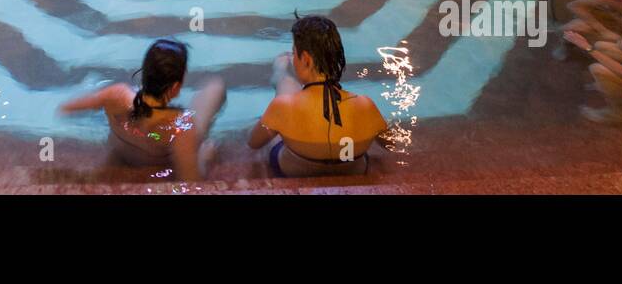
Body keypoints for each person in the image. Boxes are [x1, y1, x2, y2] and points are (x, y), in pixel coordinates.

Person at [59, 38, 226, 182]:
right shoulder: (180, 127)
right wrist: (204, 157)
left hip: (121, 155)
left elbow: (67, 108)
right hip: (162, 164)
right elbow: (190, 184)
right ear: (175, 87)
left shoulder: (115, 96)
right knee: (216, 87)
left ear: (144, 74)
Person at [248, 15, 387, 177]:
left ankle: (279, 74)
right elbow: (390, 144)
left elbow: (253, 143)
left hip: (294, 169)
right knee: (352, 141)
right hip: (351, 168)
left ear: (306, 59)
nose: (294, 59)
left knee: (284, 90)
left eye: (294, 54)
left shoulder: (282, 106)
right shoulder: (365, 105)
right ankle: (281, 76)